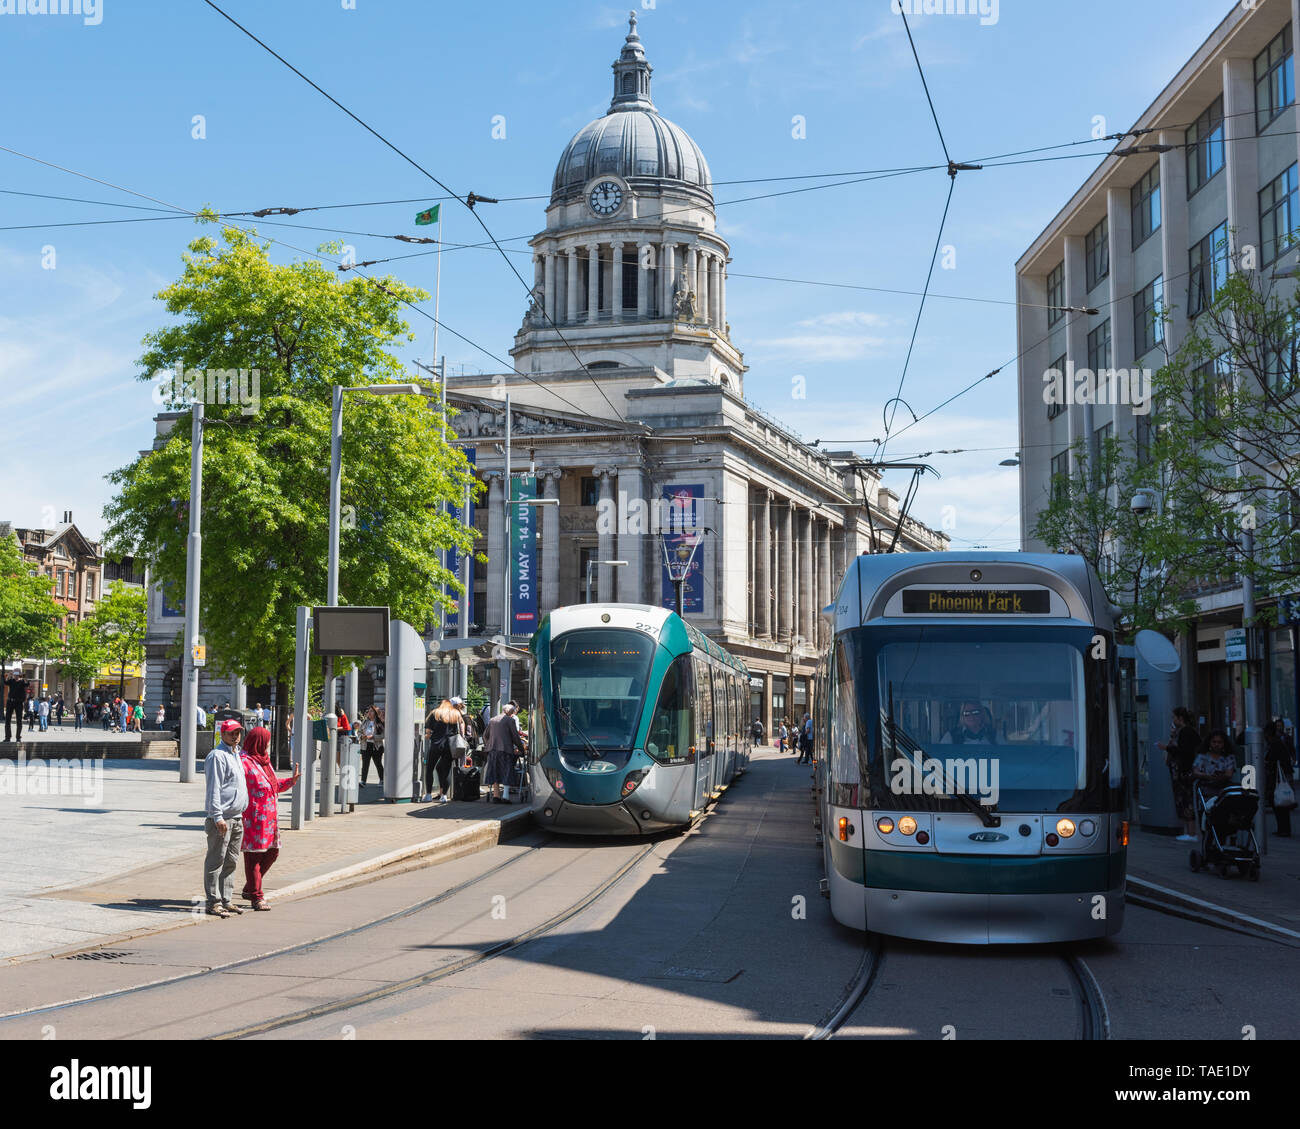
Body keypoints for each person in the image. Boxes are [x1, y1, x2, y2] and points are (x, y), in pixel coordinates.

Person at [238, 726, 299, 909]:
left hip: (270, 819)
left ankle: (250, 888)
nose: (268, 744)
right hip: (253, 818)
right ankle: (257, 896)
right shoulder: (243, 762)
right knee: (254, 858)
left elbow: (272, 786)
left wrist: (290, 782)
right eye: (266, 741)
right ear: (258, 741)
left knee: (273, 853)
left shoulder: (264, 761)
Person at [203, 719, 249, 918]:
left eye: (238, 732)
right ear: (222, 734)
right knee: (216, 860)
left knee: (231, 860)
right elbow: (214, 789)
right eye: (231, 733)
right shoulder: (217, 756)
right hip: (222, 819)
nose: (235, 736)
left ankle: (226, 899)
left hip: (237, 817)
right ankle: (213, 901)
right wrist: (217, 816)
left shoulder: (236, 754)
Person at [1156, 706, 1200, 841]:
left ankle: (1191, 832)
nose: (1173, 720)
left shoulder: (1186, 732)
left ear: (1180, 718)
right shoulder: (1182, 732)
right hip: (1180, 771)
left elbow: (1183, 751)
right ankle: (1189, 831)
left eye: (1174, 717)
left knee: (1185, 800)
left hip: (1183, 771)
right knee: (1183, 800)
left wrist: (1166, 747)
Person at [425, 697, 467, 804]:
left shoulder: (435, 713)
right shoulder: (455, 714)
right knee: (446, 770)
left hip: (436, 744)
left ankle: (428, 794)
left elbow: (428, 731)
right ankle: (444, 796)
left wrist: (429, 735)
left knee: (430, 768)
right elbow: (461, 728)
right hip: (449, 745)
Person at [483, 701, 527, 804]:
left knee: (495, 771)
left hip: (492, 750)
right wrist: (521, 749)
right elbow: (515, 737)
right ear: (509, 711)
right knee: (507, 771)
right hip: (505, 750)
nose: (512, 714)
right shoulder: (509, 720)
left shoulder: (492, 720)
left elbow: (485, 735)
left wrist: (488, 745)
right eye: (512, 712)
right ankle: (506, 796)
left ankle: (496, 795)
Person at [1191, 729, 1238, 813]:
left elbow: (1229, 774)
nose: (1216, 745)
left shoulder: (1229, 757)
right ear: (1209, 742)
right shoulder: (1202, 756)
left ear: (1224, 744)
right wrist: (1207, 776)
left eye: (1220, 742)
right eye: (1214, 742)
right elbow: (1195, 771)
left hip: (1223, 791)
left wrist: (1219, 777)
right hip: (1206, 790)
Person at [1265, 720, 1294, 838]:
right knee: (1279, 803)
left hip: (1277, 777)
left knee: (1278, 802)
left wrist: (1267, 762)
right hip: (1281, 775)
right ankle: (1283, 828)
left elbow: (1273, 760)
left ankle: (1283, 829)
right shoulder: (1277, 742)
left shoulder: (1275, 743)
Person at [359, 705, 384, 786]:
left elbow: (383, 735)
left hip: (376, 746)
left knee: (378, 763)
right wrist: (361, 736)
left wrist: (373, 737)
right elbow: (359, 732)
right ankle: (363, 781)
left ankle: (382, 780)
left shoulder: (380, 723)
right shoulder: (365, 722)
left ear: (376, 713)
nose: (369, 713)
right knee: (365, 764)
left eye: (371, 711)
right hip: (365, 745)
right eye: (368, 711)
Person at [3, 670, 26, 742]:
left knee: (19, 721)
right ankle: (7, 737)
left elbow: (27, 684)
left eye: (17, 675)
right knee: (7, 720)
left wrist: (23, 676)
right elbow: (5, 682)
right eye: (15, 675)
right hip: (10, 702)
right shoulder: (11, 681)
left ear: (19, 675)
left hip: (18, 703)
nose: (15, 676)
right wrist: (9, 675)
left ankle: (18, 737)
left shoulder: (22, 682)